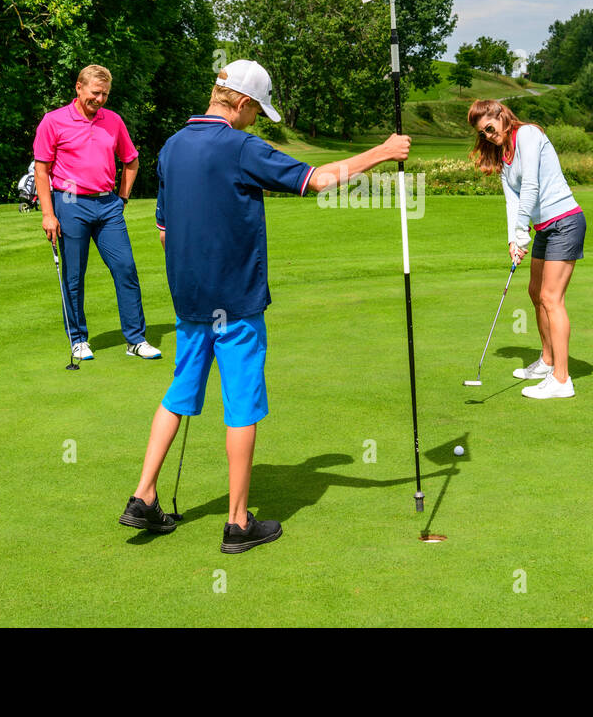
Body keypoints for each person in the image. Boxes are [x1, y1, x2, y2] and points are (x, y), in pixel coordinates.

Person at [120, 59, 412, 553]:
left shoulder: (171, 147)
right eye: (257, 110)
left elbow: (165, 231)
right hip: (236, 302)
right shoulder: (241, 147)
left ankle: (143, 494)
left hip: (189, 302)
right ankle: (238, 523)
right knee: (242, 406)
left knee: (178, 394)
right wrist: (383, 152)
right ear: (242, 102)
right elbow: (318, 180)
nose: (256, 119)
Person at [33, 64, 161, 361]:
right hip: (69, 203)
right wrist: (48, 214)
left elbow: (131, 161)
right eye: (95, 93)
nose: (99, 99)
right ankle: (78, 339)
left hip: (107, 205)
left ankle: (135, 339)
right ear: (78, 88)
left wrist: (122, 198)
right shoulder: (53, 121)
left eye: (104, 94)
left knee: (125, 268)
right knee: (74, 275)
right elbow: (42, 170)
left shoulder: (113, 121)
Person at [467, 99, 585, 398]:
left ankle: (562, 380)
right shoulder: (504, 158)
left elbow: (531, 184)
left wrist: (522, 229)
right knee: (535, 292)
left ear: (501, 115)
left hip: (566, 222)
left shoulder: (529, 134)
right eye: (483, 133)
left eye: (489, 128)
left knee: (551, 298)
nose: (488, 136)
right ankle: (547, 361)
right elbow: (513, 201)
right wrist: (513, 239)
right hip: (545, 227)